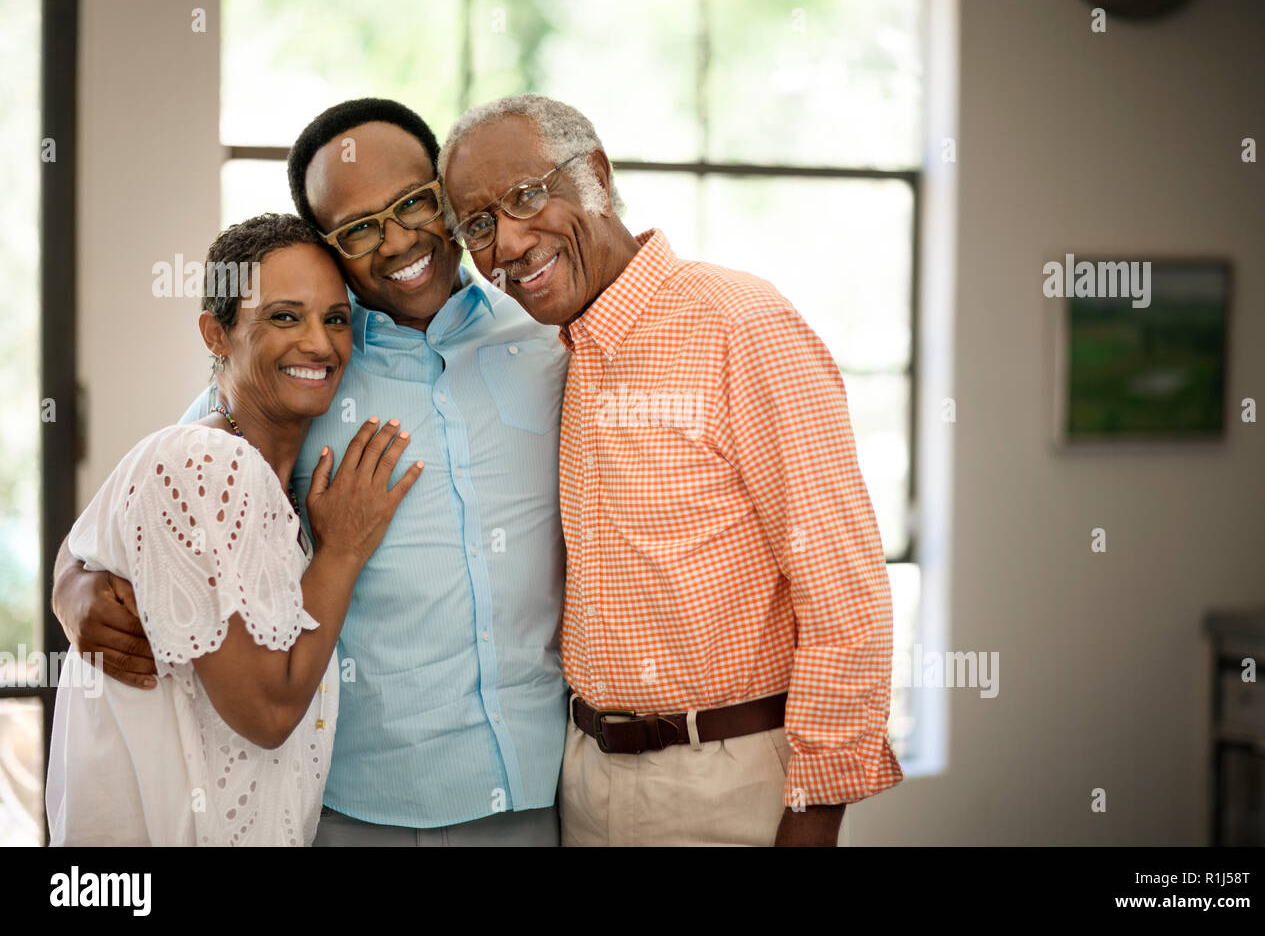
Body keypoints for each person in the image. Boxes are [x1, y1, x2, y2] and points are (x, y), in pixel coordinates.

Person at [51, 99, 571, 846]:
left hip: (528, 798)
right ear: (332, 246)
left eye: (413, 204)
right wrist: (72, 586)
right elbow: (152, 488)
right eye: (359, 228)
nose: (396, 241)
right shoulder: (307, 367)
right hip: (349, 809)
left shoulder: (549, 342)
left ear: (446, 198)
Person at [439, 94, 904, 846]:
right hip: (584, 779)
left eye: (526, 197)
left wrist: (814, 817)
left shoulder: (740, 324)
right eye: (479, 225)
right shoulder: (558, 353)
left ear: (593, 175)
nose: (508, 244)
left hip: (724, 783)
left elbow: (844, 596)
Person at [47, 213, 421, 845]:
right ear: (215, 333)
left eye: (335, 319)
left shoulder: (248, 474)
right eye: (283, 316)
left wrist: (70, 580)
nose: (320, 344)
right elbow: (266, 713)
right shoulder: (205, 461)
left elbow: (82, 545)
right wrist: (345, 550)